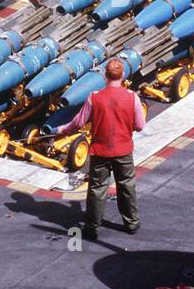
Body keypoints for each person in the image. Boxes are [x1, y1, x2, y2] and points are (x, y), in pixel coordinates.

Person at [55, 58, 146, 240]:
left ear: (105, 76)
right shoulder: (132, 97)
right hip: (123, 150)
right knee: (126, 186)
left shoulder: (94, 97)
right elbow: (140, 125)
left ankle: (92, 227)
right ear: (123, 76)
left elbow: (78, 123)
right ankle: (131, 223)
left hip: (100, 151)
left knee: (97, 188)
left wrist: (62, 130)